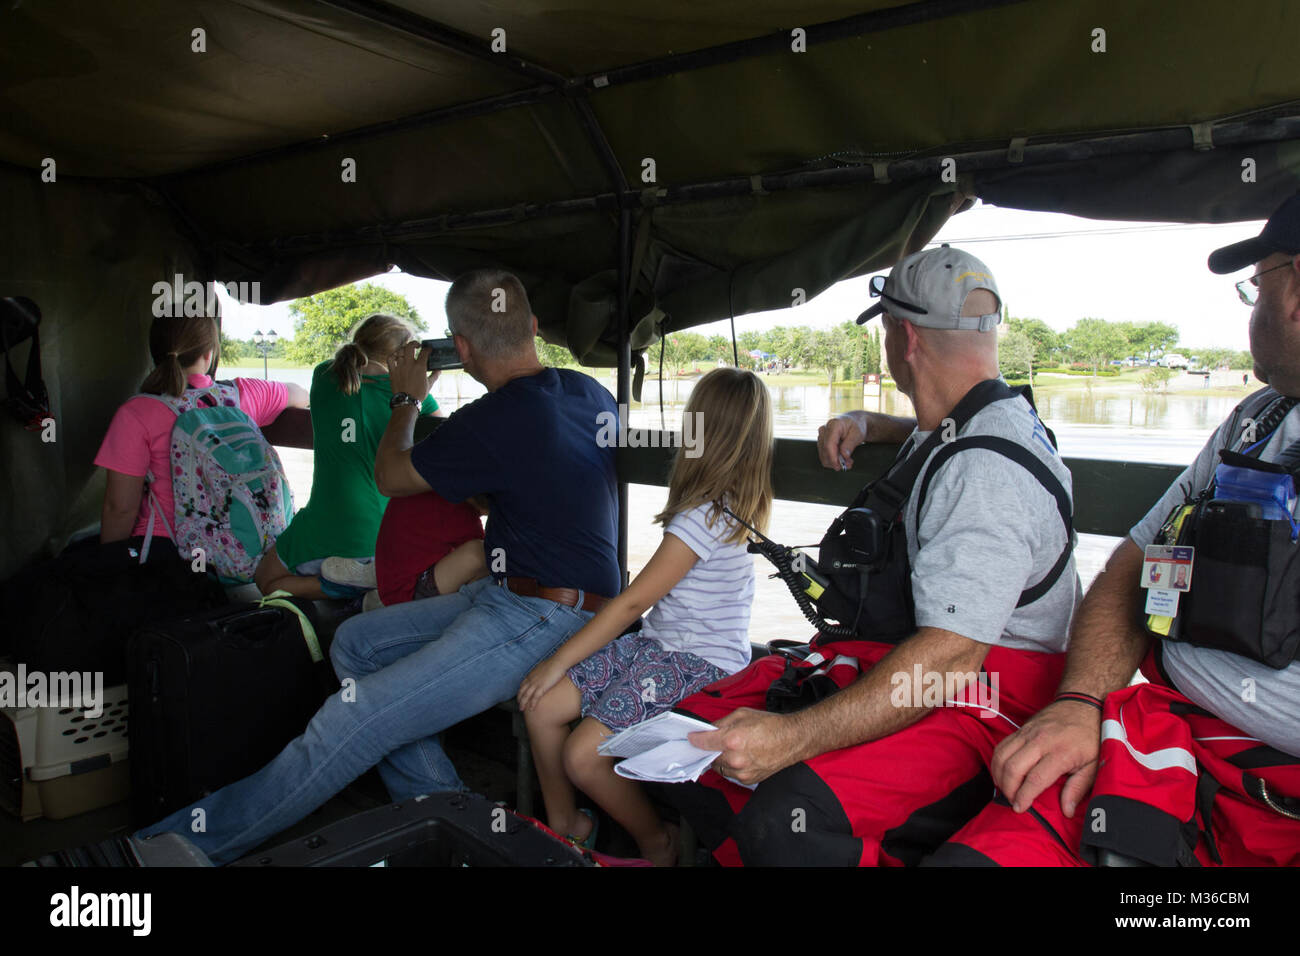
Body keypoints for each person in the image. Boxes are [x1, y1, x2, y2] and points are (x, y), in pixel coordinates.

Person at [134, 268, 620, 864]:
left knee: (352, 717)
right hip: (525, 594)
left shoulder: (491, 420)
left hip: (542, 614)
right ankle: (459, 817)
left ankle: (186, 843)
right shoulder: (589, 393)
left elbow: (392, 475)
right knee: (357, 643)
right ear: (535, 328)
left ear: (460, 349)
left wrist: (408, 398)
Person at [655, 246, 1080, 866]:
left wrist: (793, 738)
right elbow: (931, 432)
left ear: (902, 337)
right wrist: (865, 421)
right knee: (696, 731)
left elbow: (950, 657)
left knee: (788, 819)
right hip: (916, 662)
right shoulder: (978, 419)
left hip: (982, 695)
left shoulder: (984, 471)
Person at [929, 193, 1300, 867]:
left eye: (1257, 286)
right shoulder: (1257, 422)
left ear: (1297, 289)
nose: (1253, 307)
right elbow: (1134, 564)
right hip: (1159, 743)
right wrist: (1081, 701)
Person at [517, 367, 773, 865]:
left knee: (581, 755)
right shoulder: (720, 507)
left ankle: (658, 842)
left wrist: (554, 662)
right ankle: (566, 824)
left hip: (696, 662)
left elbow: (632, 602)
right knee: (541, 706)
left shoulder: (706, 516)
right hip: (657, 646)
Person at [253, 313, 437, 599]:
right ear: (400, 358)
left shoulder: (324, 376)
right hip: (386, 539)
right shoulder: (413, 396)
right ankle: (368, 586)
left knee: (266, 579)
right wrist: (415, 389)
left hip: (324, 529)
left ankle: (335, 587)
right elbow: (437, 427)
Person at [96, 313, 307, 556]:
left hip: (170, 552)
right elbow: (300, 394)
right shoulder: (240, 395)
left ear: (155, 352)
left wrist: (110, 565)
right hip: (241, 551)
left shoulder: (135, 413)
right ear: (209, 355)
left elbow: (119, 509)